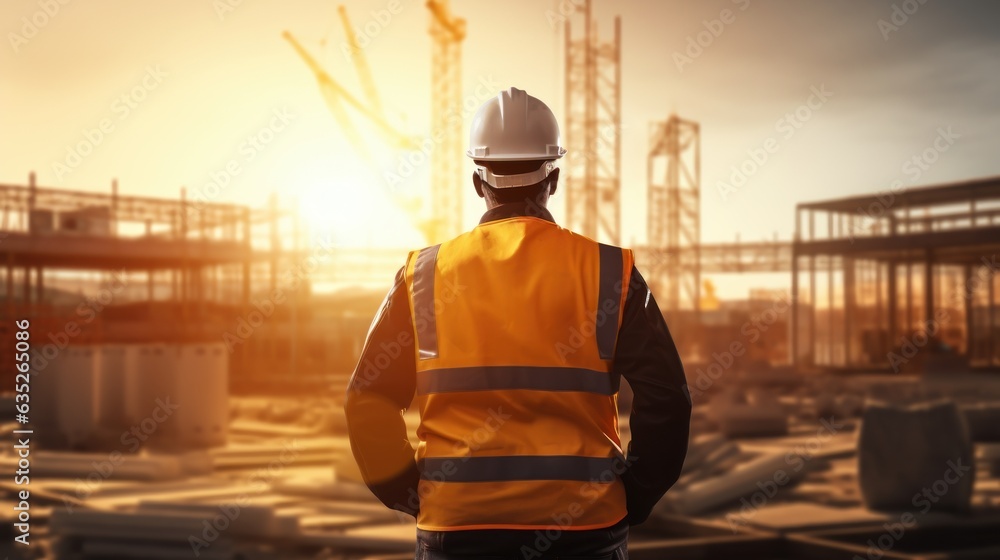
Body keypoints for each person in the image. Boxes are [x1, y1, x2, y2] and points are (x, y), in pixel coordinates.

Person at [345, 87, 691, 560]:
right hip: (584, 527)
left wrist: (408, 491)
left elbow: (367, 399)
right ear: (554, 179)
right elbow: (668, 398)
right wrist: (635, 495)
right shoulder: (610, 272)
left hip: (457, 528)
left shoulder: (424, 275)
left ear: (477, 182)